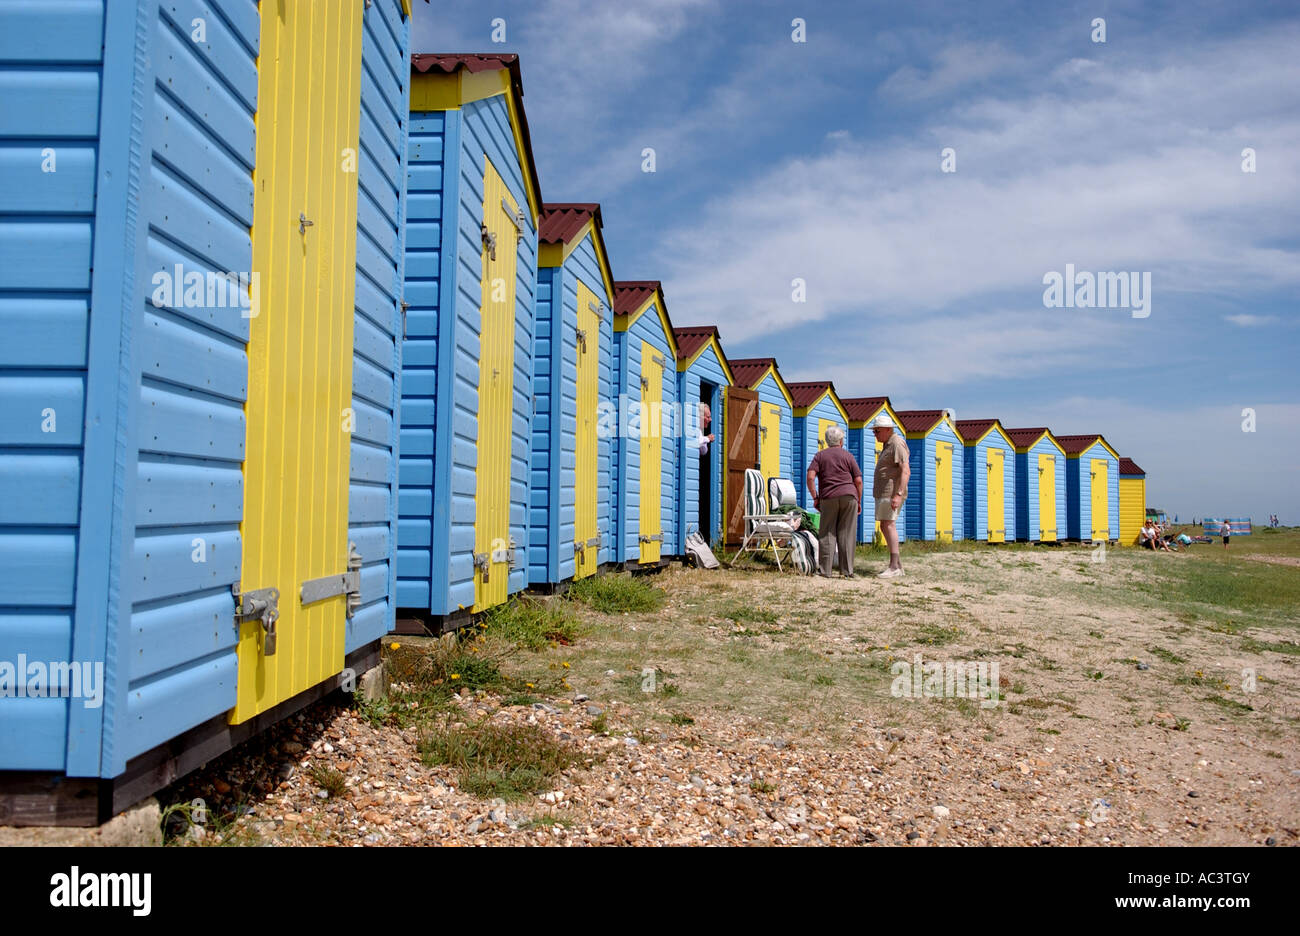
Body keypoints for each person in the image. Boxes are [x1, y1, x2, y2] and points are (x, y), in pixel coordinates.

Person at [806, 425, 862, 578]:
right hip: (849, 496)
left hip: (828, 497)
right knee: (847, 533)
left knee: (827, 533)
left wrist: (815, 497)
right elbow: (858, 481)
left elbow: (810, 477)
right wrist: (858, 500)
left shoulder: (820, 456)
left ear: (827, 440)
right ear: (841, 441)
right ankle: (847, 571)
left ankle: (825, 571)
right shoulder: (848, 456)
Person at [870, 413, 910, 578]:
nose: (875, 434)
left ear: (887, 429)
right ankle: (897, 565)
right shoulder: (888, 444)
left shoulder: (896, 443)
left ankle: (894, 566)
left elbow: (905, 470)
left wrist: (898, 494)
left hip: (891, 492)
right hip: (885, 492)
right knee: (884, 525)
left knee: (888, 525)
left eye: (877, 431)